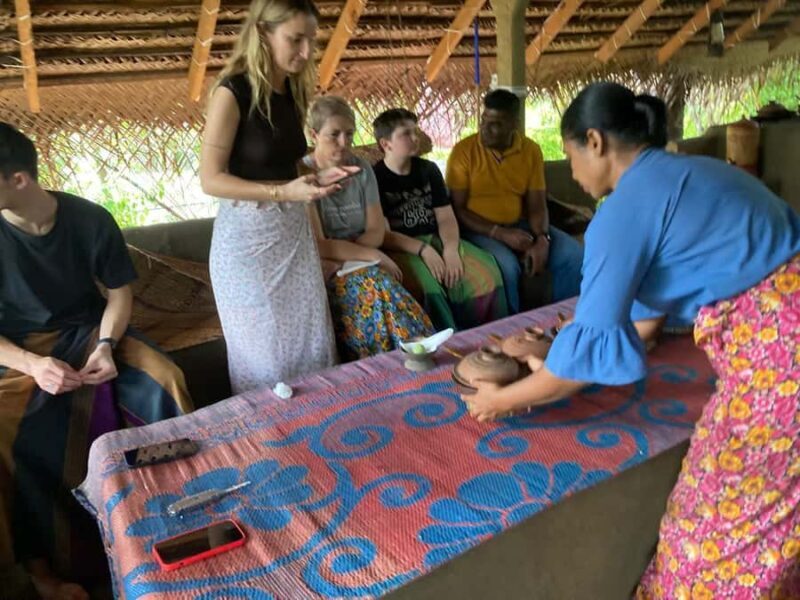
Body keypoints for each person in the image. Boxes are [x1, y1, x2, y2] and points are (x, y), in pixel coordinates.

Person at [462, 82, 800, 598]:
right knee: (778, 512)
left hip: (782, 356)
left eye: (570, 156)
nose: (573, 173)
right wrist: (555, 352)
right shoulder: (693, 173)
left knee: (714, 521)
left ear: (595, 142)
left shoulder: (621, 212)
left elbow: (583, 364)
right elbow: (639, 327)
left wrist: (500, 401)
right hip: (781, 336)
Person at [0, 123, 192, 600]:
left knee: (165, 380)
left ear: (19, 179)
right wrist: (33, 365)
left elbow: (119, 294)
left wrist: (106, 345)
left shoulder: (89, 219)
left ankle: (183, 520)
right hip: (21, 348)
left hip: (92, 330)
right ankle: (43, 573)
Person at [201, 0, 356, 394]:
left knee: (313, 349)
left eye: (311, 41)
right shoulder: (233, 92)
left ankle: (323, 429)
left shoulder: (291, 90)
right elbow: (210, 179)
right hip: (247, 247)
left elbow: (285, 165)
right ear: (263, 33)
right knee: (267, 364)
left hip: (292, 240)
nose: (306, 52)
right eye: (295, 39)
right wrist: (282, 192)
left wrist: (314, 177)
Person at [305, 96, 433, 360]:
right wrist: (372, 255)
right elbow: (320, 244)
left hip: (353, 261)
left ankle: (412, 355)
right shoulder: (302, 174)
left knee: (380, 285)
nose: (344, 142)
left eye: (349, 134)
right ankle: (410, 356)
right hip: (327, 267)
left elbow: (376, 231)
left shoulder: (362, 169)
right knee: (377, 285)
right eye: (334, 135)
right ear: (314, 134)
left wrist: (354, 254)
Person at [446, 89, 584, 314]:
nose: (485, 129)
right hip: (478, 230)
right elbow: (457, 209)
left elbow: (537, 203)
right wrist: (499, 233)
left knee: (573, 256)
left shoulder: (530, 150)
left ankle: (562, 321)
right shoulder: (463, 152)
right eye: (484, 120)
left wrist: (542, 239)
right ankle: (513, 329)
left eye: (496, 124)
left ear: (514, 124)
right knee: (507, 268)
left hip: (520, 224)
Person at [373, 108, 509, 331]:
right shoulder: (375, 178)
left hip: (437, 238)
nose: (415, 137)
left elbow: (445, 217)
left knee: (485, 274)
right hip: (403, 247)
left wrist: (451, 250)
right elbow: (384, 235)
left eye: (415, 131)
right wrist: (423, 250)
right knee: (429, 289)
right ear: (386, 144)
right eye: (406, 134)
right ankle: (447, 341)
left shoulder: (428, 170)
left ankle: (491, 336)